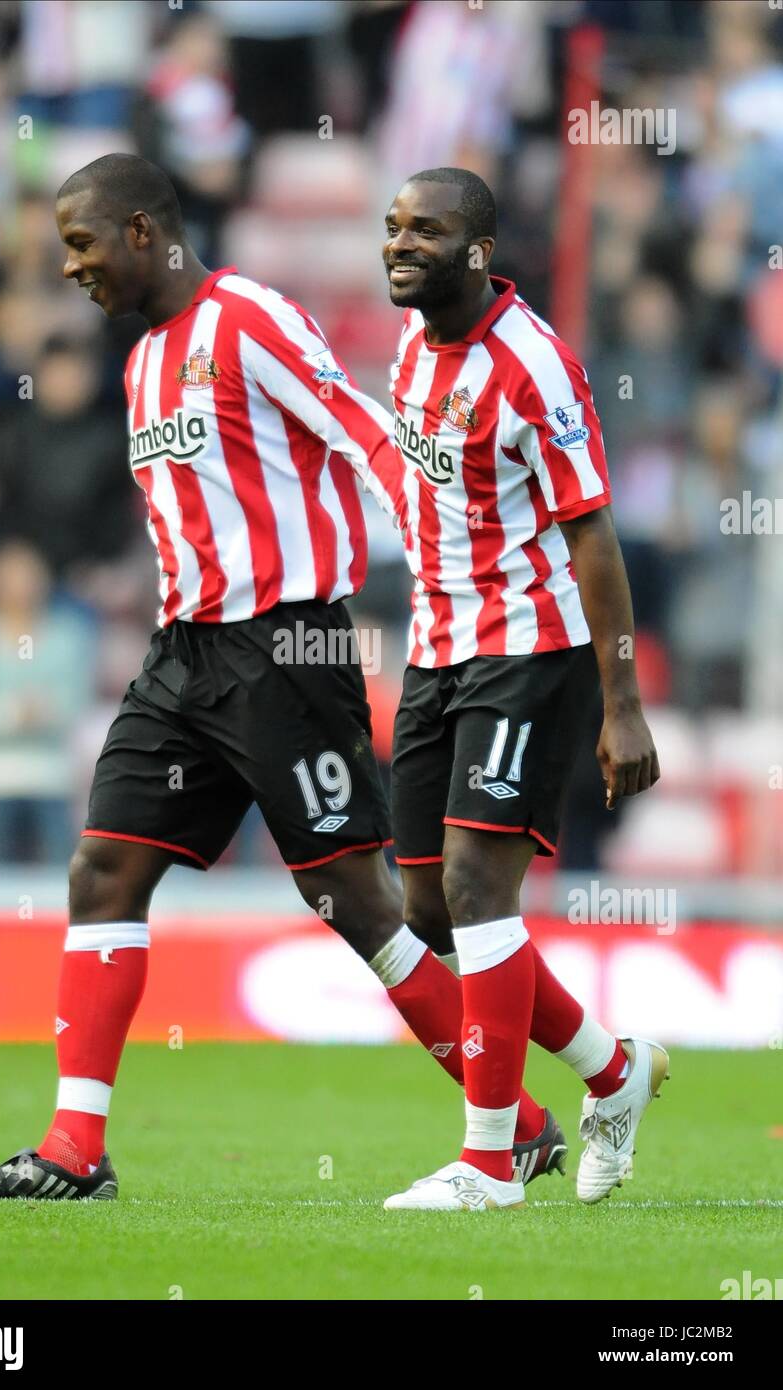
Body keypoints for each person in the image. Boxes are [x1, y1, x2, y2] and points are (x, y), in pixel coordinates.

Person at [0, 154, 561, 1202]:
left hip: (286, 649)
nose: (70, 265)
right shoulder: (142, 362)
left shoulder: (248, 318)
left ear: (142, 230)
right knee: (102, 868)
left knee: (359, 905)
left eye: (83, 242)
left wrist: (443, 558)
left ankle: (523, 1125)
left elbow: (361, 430)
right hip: (182, 656)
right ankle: (72, 1147)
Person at [380, 168, 668, 1213]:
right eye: (392, 226)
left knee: (474, 887)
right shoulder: (411, 347)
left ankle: (490, 1164)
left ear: (480, 250)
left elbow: (592, 531)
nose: (401, 244)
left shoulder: (532, 368)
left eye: (428, 230)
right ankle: (610, 1069)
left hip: (530, 649)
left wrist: (620, 699)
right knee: (428, 906)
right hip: (435, 651)